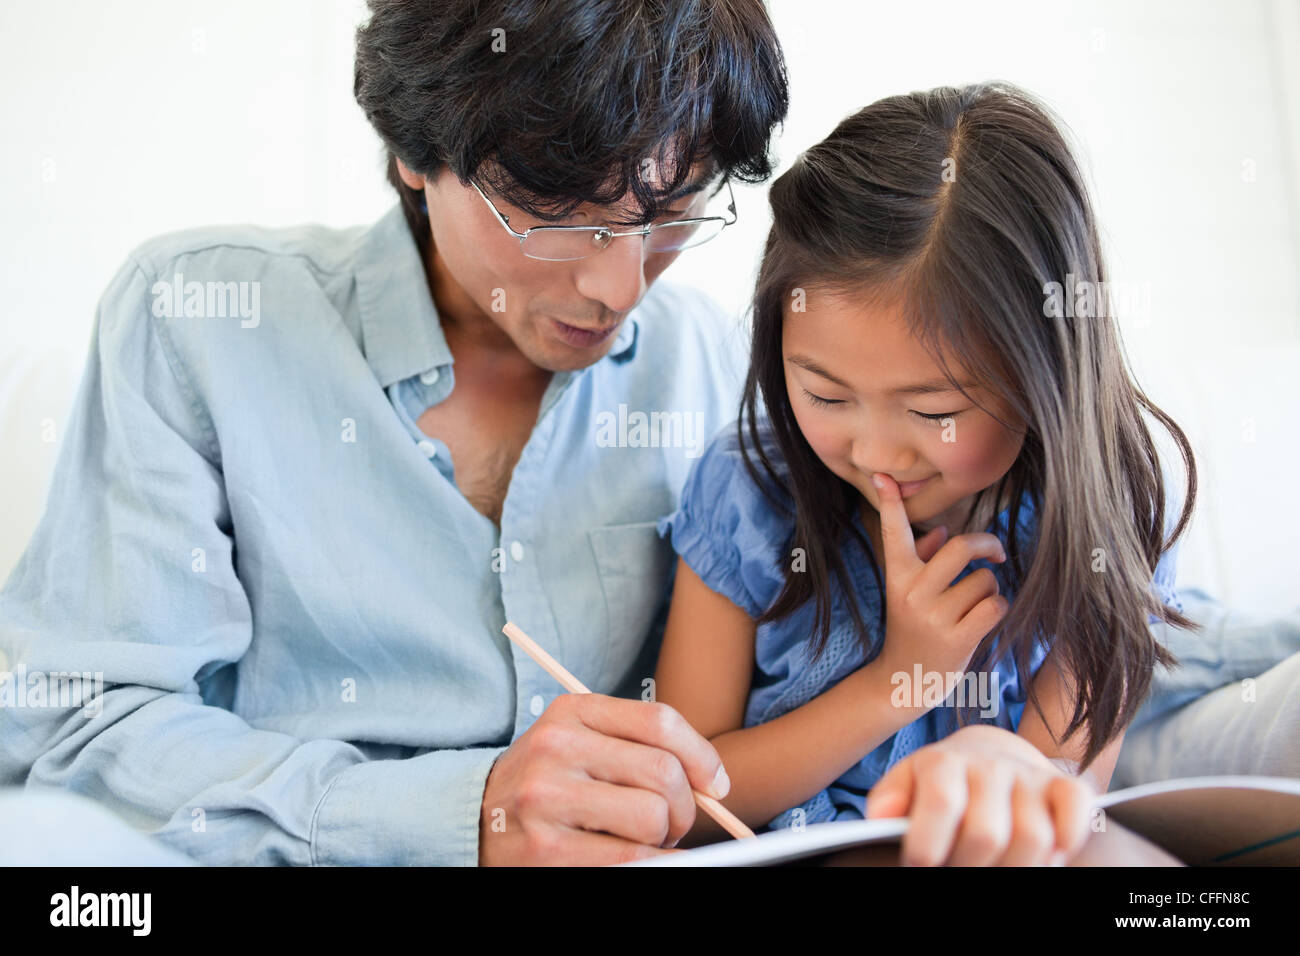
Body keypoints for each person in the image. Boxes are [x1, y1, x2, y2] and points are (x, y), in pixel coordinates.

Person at [0, 0, 790, 866]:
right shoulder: (197, 323)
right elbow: (80, 734)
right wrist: (462, 814)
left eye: (671, 214)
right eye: (559, 215)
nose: (618, 284)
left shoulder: (710, 365)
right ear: (418, 152)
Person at [653, 82, 1199, 865]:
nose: (876, 453)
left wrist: (1006, 772)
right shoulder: (748, 494)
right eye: (825, 394)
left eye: (934, 409)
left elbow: (1058, 790)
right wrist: (898, 681)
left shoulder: (1108, 520)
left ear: (1043, 374)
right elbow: (687, 796)